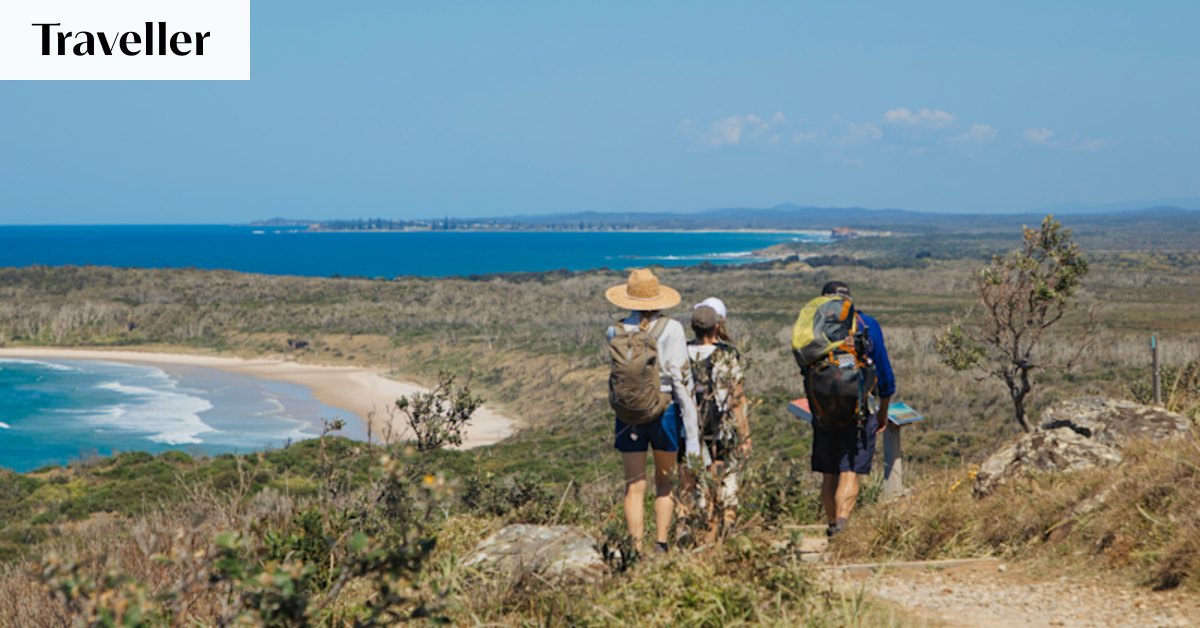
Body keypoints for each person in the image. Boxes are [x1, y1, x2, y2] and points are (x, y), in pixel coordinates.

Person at [605, 268, 701, 554]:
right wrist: (692, 429)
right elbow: (681, 379)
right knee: (665, 483)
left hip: (628, 413)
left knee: (634, 485)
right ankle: (660, 544)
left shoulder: (615, 330)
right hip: (665, 410)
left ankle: (634, 548)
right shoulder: (671, 329)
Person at [811, 281, 895, 537]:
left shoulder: (813, 330)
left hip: (824, 411)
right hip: (859, 409)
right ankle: (842, 523)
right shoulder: (866, 324)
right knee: (849, 471)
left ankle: (830, 525)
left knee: (829, 473)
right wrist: (883, 409)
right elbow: (883, 372)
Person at [685, 298, 750, 542]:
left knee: (695, 485)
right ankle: (727, 529)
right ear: (716, 327)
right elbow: (737, 397)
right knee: (725, 478)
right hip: (721, 429)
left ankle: (702, 534)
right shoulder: (727, 354)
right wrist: (744, 433)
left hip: (689, 430)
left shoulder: (682, 352)